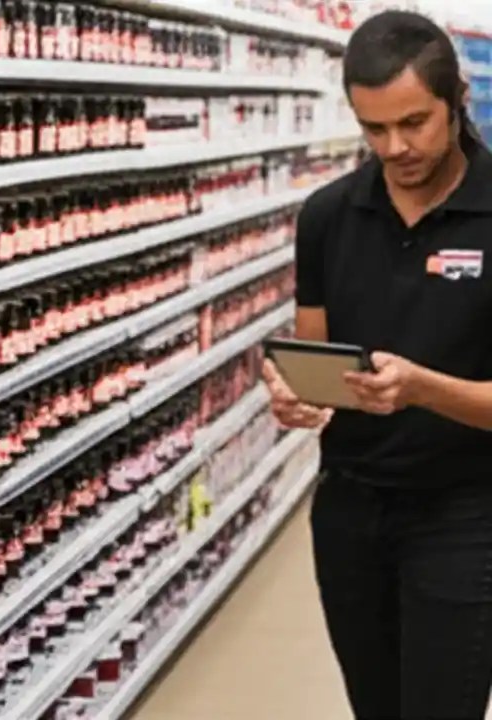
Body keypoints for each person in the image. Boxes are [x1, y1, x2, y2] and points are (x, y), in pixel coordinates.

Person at [261, 9, 492, 719]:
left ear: (456, 101)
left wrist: (422, 389)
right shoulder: (329, 214)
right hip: (351, 508)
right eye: (374, 128)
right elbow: (312, 348)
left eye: (414, 123)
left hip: (466, 511)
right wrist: (291, 392)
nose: (395, 147)